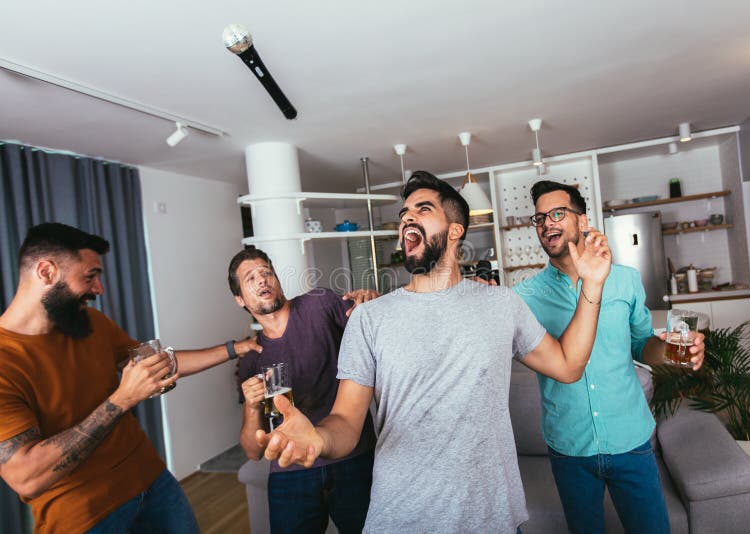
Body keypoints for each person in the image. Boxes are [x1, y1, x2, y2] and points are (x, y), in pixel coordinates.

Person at [254, 171, 612, 533]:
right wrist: (319, 438)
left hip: (492, 518)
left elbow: (568, 366)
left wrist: (593, 285)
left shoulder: (502, 304)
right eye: (405, 212)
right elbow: (347, 422)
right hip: (402, 518)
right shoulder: (369, 318)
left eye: (422, 209)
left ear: (455, 231)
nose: (407, 217)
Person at [0, 222, 260, 534]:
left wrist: (235, 348)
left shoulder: (89, 322)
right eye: (90, 276)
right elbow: (25, 475)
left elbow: (157, 363)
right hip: (84, 516)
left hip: (153, 483)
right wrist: (122, 399)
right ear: (45, 272)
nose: (99, 289)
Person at [513, 181, 706, 534]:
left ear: (583, 221)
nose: (547, 224)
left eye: (557, 213)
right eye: (539, 218)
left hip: (630, 438)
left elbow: (643, 345)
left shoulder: (626, 281)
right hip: (569, 446)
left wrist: (678, 351)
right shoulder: (523, 297)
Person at [231, 247, 378, 534]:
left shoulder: (318, 304)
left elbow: (371, 330)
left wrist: (371, 303)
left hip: (353, 459)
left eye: (266, 272)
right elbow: (252, 451)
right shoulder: (251, 359)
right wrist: (251, 405)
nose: (262, 280)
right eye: (250, 278)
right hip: (291, 474)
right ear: (240, 299)